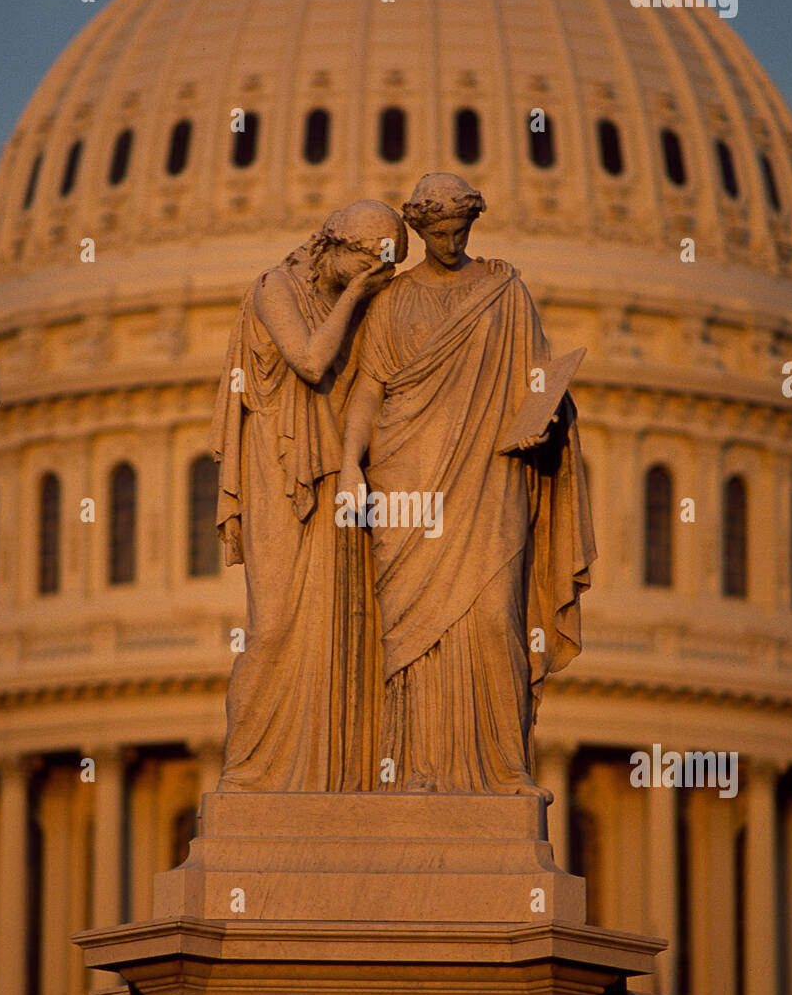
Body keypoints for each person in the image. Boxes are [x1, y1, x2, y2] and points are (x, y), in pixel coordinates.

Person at [340, 174, 595, 813]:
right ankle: (416, 769)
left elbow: (538, 376)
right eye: (440, 233)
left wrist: (551, 415)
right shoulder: (393, 303)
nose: (452, 242)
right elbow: (369, 388)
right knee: (412, 638)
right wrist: (349, 464)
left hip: (491, 479)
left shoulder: (504, 292)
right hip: (408, 484)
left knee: (492, 619)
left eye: (461, 230)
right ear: (419, 231)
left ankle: (501, 769)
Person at [210, 201, 407, 793]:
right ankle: (249, 776)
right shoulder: (276, 287)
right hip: (280, 467)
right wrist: (357, 297)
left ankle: (332, 777)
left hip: (340, 478)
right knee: (273, 629)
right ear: (335, 247)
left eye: (388, 266)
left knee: (342, 630)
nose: (380, 276)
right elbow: (311, 360)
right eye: (371, 262)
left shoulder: (372, 302)